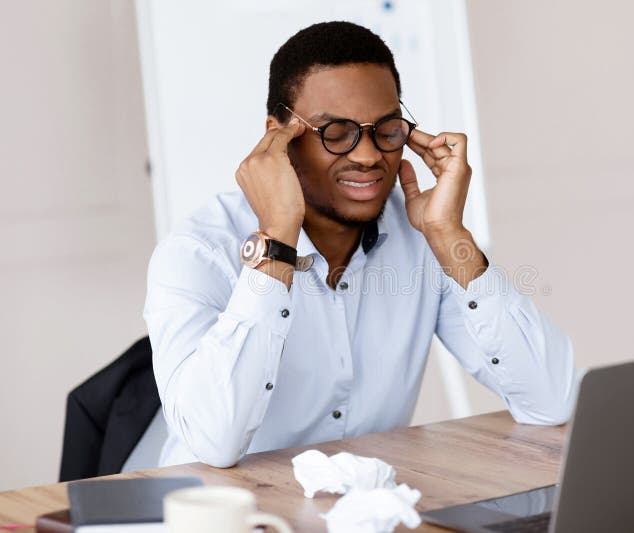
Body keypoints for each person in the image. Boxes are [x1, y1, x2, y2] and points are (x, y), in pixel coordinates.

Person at [144, 21, 576, 468]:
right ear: (279, 137)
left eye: (386, 129)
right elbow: (213, 444)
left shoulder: (423, 238)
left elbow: (551, 401)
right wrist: (275, 242)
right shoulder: (196, 253)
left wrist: (450, 236)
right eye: (335, 132)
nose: (369, 155)